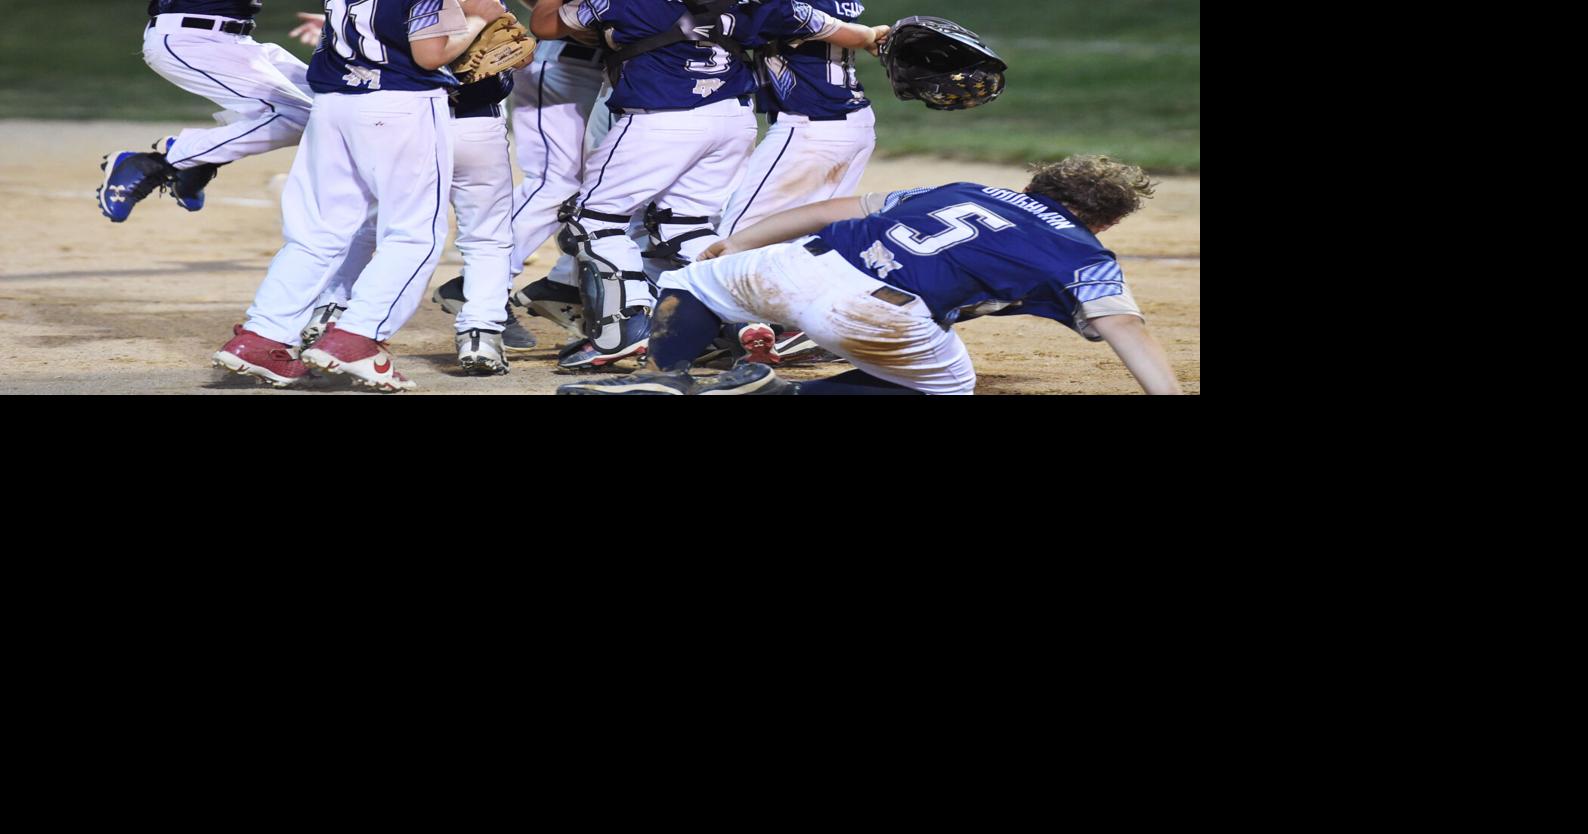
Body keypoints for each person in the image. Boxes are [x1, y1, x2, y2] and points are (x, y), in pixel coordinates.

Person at [556, 155, 1184, 395]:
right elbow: (1122, 325)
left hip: (789, 265)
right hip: (873, 313)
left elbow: (835, 210)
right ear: (1103, 220)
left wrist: (736, 242)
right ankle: (779, 393)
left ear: (1035, 186)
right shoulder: (1084, 251)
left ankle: (667, 377)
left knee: (691, 283)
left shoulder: (961, 187)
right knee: (945, 389)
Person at [526, 0, 891, 371]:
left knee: (591, 218)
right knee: (684, 224)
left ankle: (622, 330)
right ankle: (745, 319)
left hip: (661, 120)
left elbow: (544, 24)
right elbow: (790, 17)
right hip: (732, 120)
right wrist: (863, 35)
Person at [211, 0, 511, 391]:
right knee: (412, 234)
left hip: (334, 106)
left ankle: (262, 337)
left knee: (316, 233)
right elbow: (428, 56)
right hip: (400, 106)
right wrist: (475, 22)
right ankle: (356, 337)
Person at [98, 1, 313, 223]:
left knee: (334, 107)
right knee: (304, 117)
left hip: (238, 42)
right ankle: (156, 165)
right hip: (191, 42)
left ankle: (199, 160)